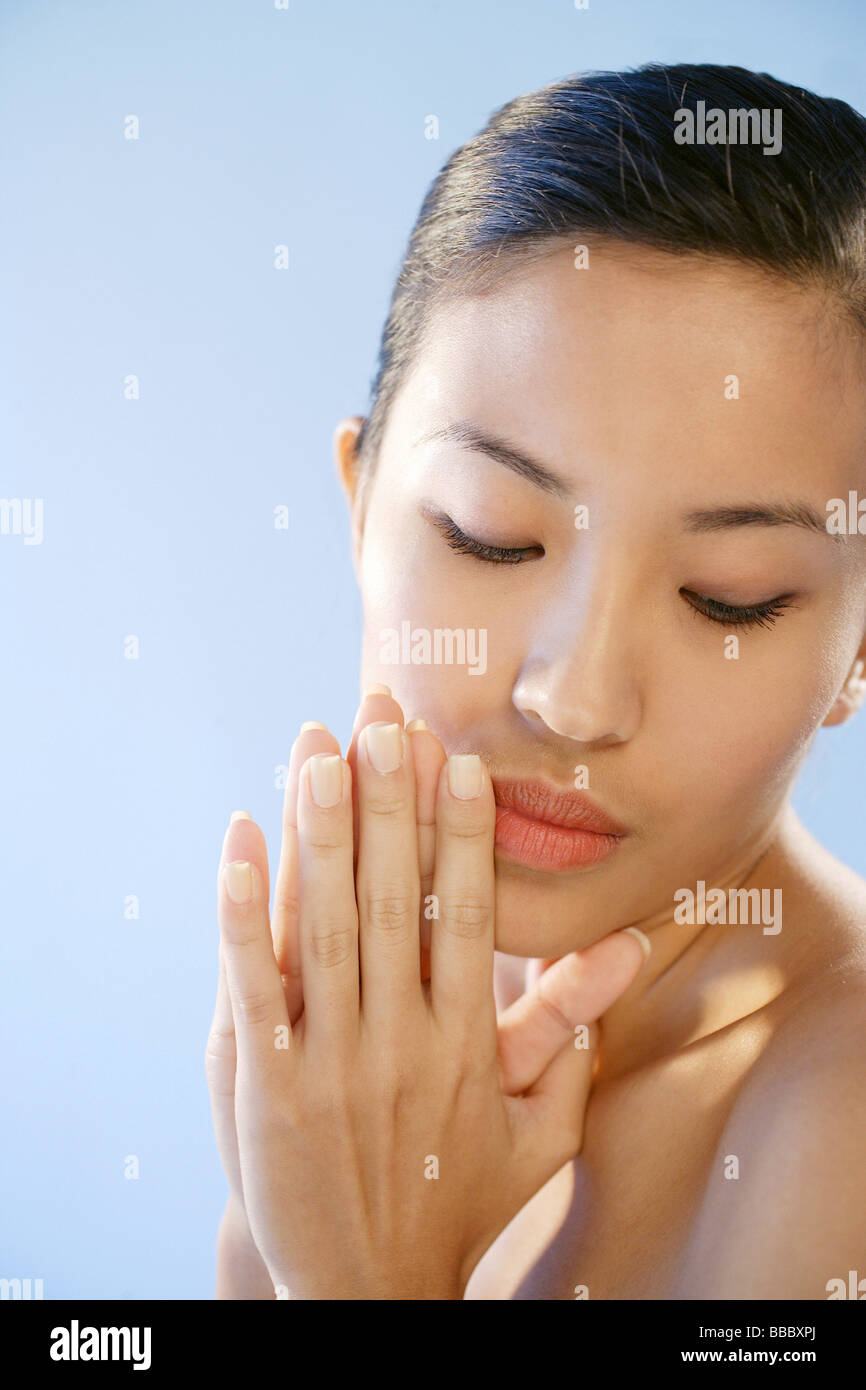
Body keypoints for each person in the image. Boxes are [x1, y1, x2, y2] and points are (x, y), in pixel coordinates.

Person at [206, 62, 866, 1299]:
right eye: (488, 533)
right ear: (360, 508)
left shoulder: (838, 1145)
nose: (573, 701)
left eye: (728, 596)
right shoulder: (352, 1067)